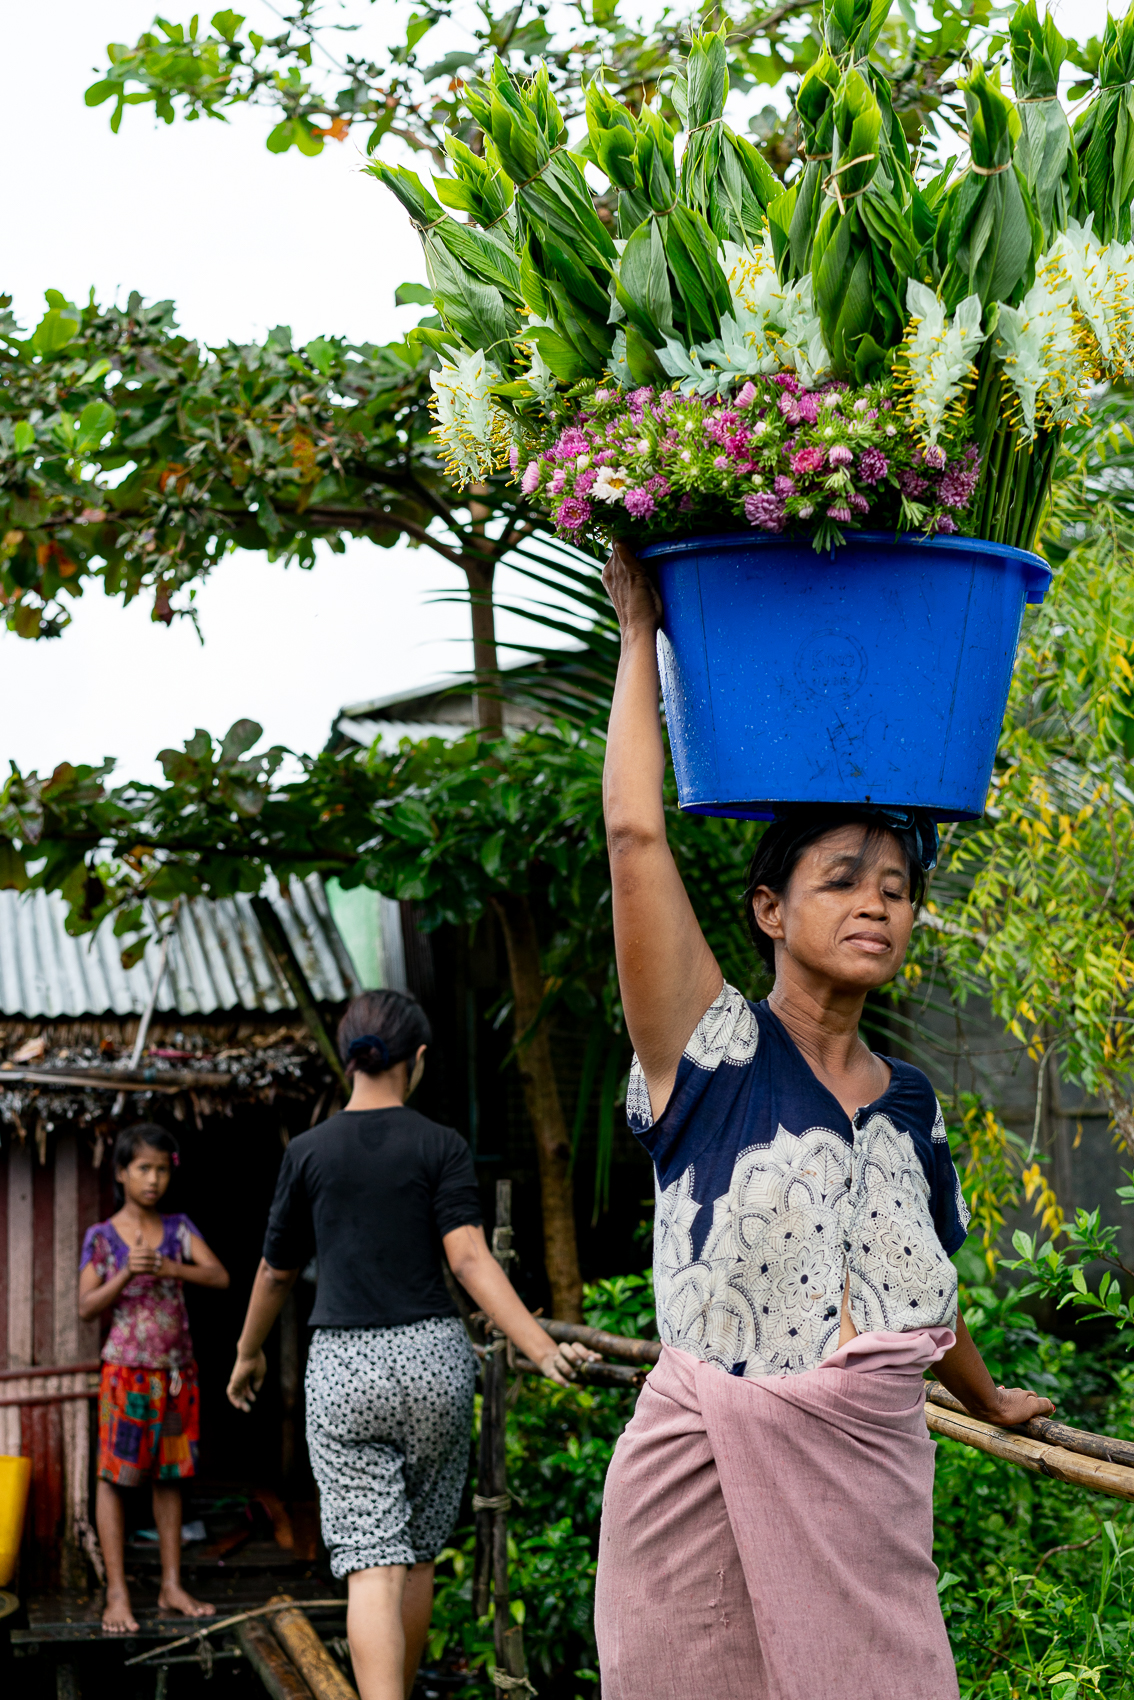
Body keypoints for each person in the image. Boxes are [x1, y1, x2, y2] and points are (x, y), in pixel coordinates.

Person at [592, 543, 1056, 1700]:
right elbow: (636, 841)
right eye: (843, 877)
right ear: (769, 906)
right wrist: (639, 632)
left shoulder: (912, 1104)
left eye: (897, 887)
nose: (877, 903)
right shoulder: (711, 1053)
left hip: (871, 1505)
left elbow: (921, 1293)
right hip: (705, 1489)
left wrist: (988, 1397)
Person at [227, 988, 597, 1700]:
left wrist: (248, 1352)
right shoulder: (440, 1145)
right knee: (418, 1554)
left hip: (345, 1369)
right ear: (418, 1059)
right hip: (434, 1361)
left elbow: (275, 1269)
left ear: (349, 1059)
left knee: (373, 1560)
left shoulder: (307, 1152)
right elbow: (469, 1259)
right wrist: (542, 1349)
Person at [78, 1121, 229, 1634]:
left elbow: (220, 1276)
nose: (153, 1179)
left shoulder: (179, 1229)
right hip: (125, 1374)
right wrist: (125, 1272)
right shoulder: (102, 1237)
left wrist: (170, 1269)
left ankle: (171, 1584)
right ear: (121, 1173)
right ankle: (117, 1593)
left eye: (162, 1169)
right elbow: (85, 1307)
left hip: (176, 1374)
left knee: (172, 1476)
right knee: (115, 1479)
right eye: (143, 1168)